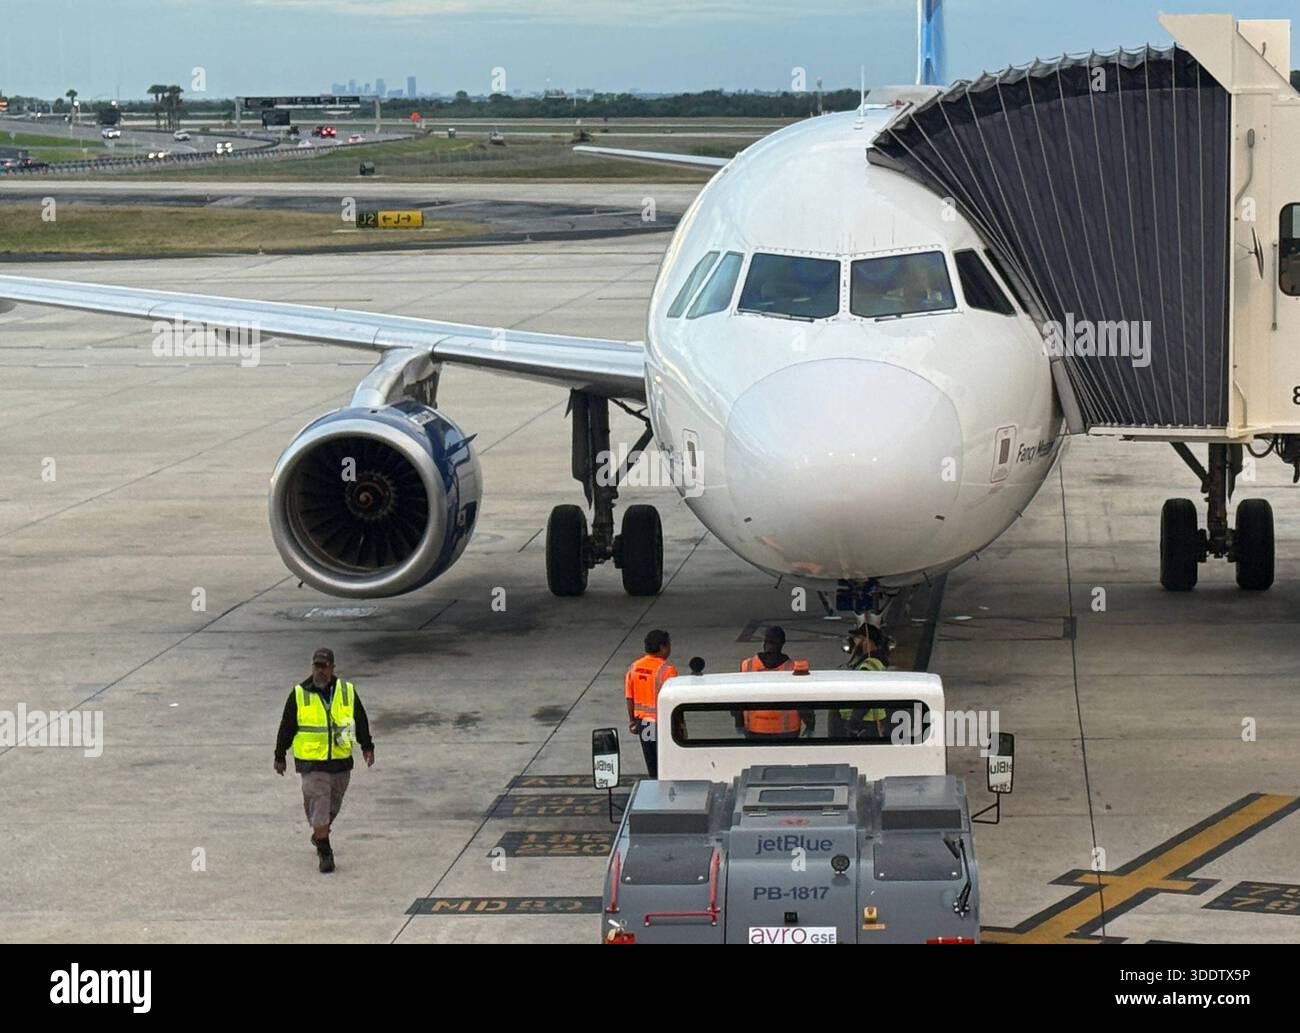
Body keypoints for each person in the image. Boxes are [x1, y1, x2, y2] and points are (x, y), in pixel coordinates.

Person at [274, 648, 375, 873]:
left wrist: (367, 746)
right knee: (319, 803)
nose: (320, 671)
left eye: (324, 666)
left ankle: (319, 833)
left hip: (341, 761)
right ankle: (325, 851)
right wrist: (279, 755)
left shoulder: (347, 691)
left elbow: (360, 719)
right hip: (312, 762)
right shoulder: (299, 694)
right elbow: (286, 727)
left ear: (332, 668)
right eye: (316, 666)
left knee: (332, 805)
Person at [738, 626, 814, 740]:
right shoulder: (794, 668)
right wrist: (810, 724)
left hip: (755, 728)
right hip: (787, 731)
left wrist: (738, 722)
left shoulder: (747, 665)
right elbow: (803, 702)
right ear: (782, 644)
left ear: (764, 643)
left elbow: (738, 698)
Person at [624, 630, 677, 778]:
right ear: (662, 647)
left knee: (652, 762)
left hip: (644, 724)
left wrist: (632, 721)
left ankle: (655, 785)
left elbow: (629, 698)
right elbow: (674, 700)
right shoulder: (667, 670)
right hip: (662, 724)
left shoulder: (634, 667)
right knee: (666, 762)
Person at [835, 625, 889, 739]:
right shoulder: (873, 661)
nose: (854, 642)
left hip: (864, 723)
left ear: (867, 641)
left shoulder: (869, 664)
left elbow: (865, 694)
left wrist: (854, 722)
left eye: (857, 638)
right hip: (866, 721)